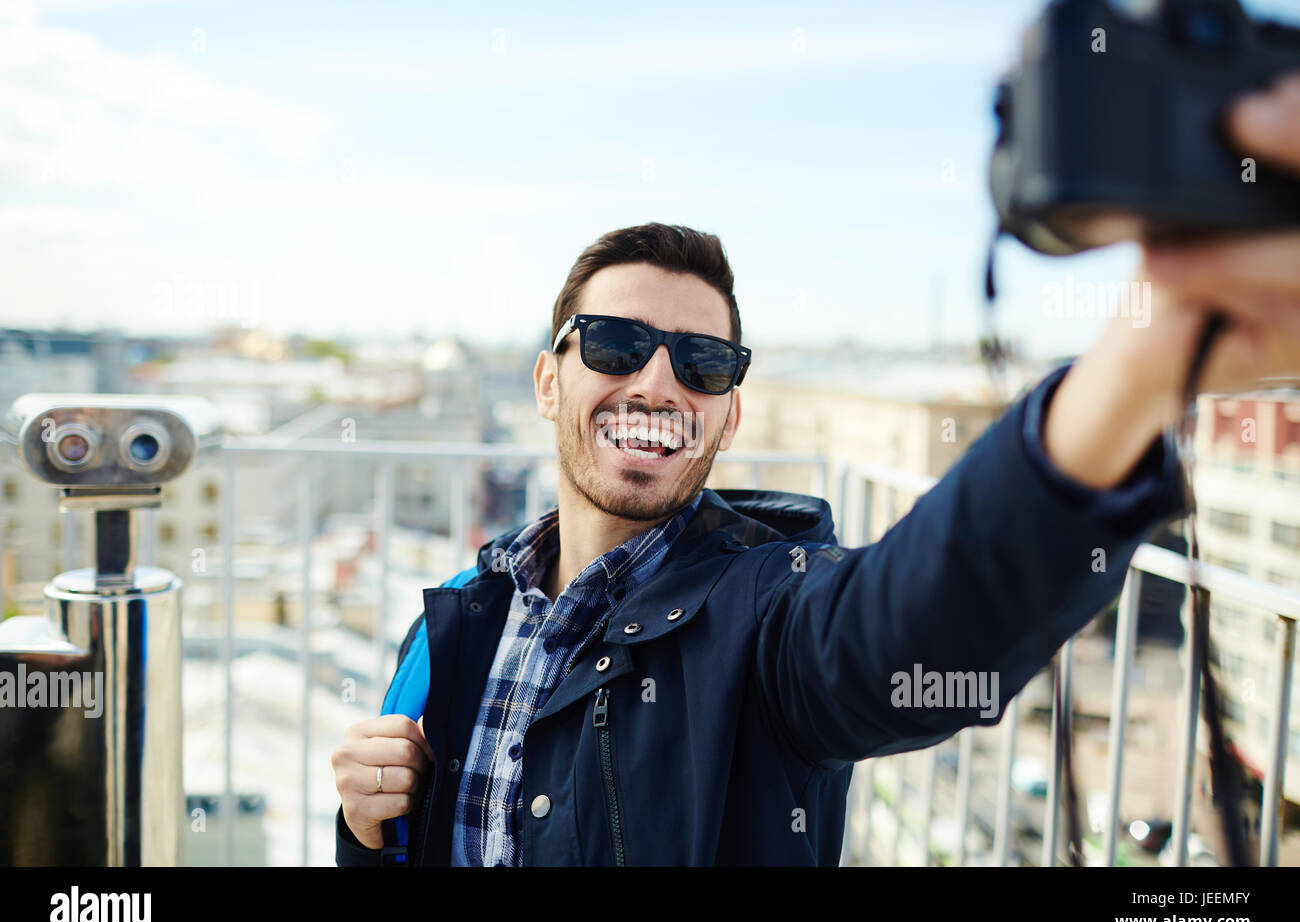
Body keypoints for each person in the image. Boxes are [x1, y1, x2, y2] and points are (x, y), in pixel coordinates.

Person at [331, 76, 1300, 866]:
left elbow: (911, 630)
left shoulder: (767, 611)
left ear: (728, 411)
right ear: (549, 381)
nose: (660, 380)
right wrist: (367, 831)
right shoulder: (464, 609)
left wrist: (1136, 369)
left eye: (702, 361)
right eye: (617, 344)